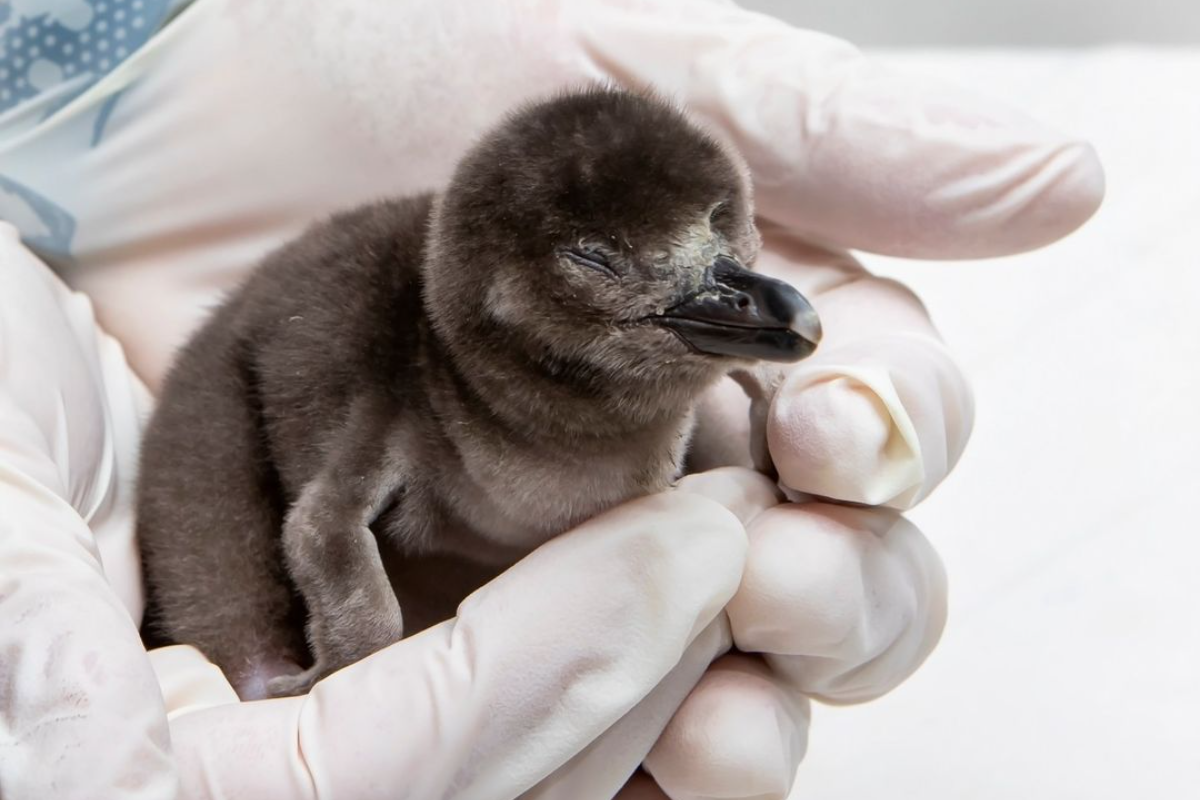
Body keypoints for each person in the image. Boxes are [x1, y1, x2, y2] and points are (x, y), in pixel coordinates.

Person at [0, 1, 1103, 798]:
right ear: (497, 293)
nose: (735, 288)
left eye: (724, 236)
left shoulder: (694, 384)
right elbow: (323, 519)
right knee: (250, 658)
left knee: (754, 540)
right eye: (609, 262)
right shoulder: (407, 374)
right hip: (240, 417)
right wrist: (338, 648)